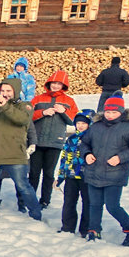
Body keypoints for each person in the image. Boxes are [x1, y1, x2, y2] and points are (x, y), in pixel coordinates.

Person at [80, 93, 129, 245]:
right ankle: (94, 230)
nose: (110, 115)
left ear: (121, 111)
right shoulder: (96, 126)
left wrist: (121, 157)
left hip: (115, 174)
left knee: (112, 206)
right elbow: (85, 143)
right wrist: (87, 154)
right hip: (94, 171)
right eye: (108, 112)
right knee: (95, 204)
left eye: (114, 112)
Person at [0, 75, 42, 221]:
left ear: (16, 91)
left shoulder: (25, 106)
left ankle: (35, 214)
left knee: (23, 186)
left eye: (8, 90)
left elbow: (22, 119)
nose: (5, 93)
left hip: (15, 155)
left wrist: (5, 105)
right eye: (2, 90)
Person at [28, 70, 78, 209]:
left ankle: (45, 200)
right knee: (33, 172)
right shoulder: (38, 99)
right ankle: (30, 198)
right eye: (54, 83)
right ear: (49, 83)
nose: (55, 86)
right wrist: (42, 112)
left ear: (63, 85)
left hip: (55, 142)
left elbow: (73, 120)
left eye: (59, 84)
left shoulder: (69, 101)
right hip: (37, 141)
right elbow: (27, 116)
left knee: (49, 173)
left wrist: (63, 111)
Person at [56, 110, 94, 237]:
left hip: (87, 177)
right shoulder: (71, 139)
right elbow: (64, 158)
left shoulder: (93, 138)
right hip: (71, 176)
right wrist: (61, 176)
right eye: (78, 123)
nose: (81, 126)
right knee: (69, 202)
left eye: (84, 123)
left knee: (88, 203)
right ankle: (67, 227)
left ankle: (86, 229)